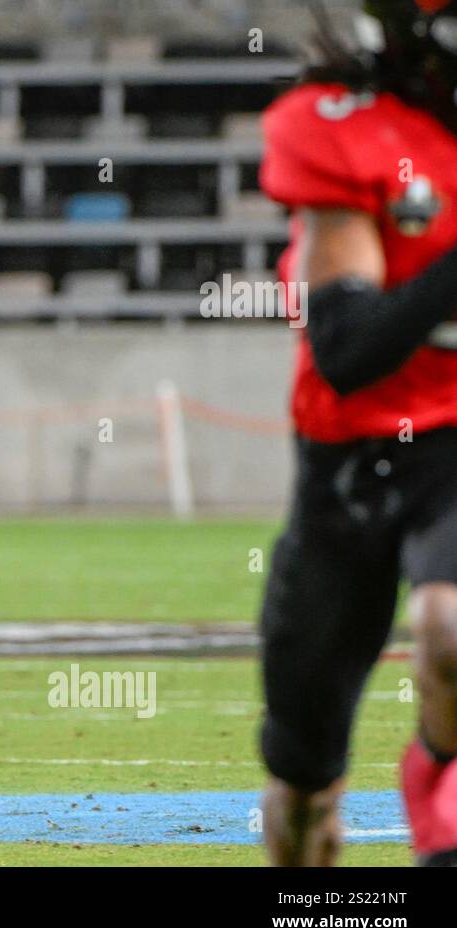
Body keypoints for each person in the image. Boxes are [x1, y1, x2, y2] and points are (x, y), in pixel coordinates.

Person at [258, 0, 457, 865]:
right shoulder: (337, 125)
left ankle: (439, 786)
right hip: (351, 457)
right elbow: (349, 352)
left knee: (450, 630)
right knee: (304, 783)